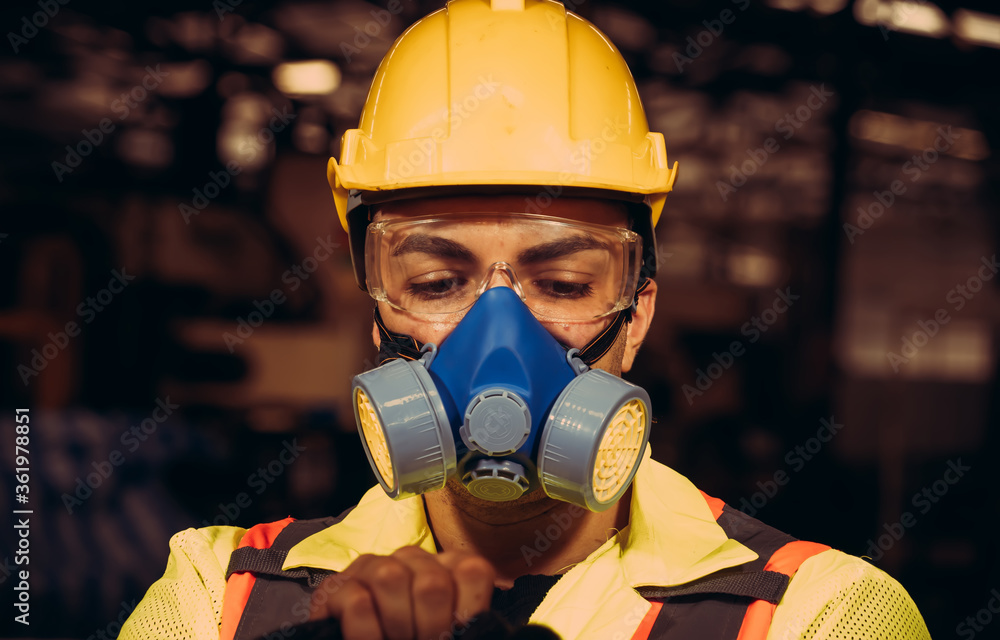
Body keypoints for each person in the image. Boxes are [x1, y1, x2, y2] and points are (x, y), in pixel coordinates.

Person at [121, 1, 932, 639]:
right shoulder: (219, 596)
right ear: (378, 314)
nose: (499, 337)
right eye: (438, 280)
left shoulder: (818, 615)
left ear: (639, 309)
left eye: (566, 282)